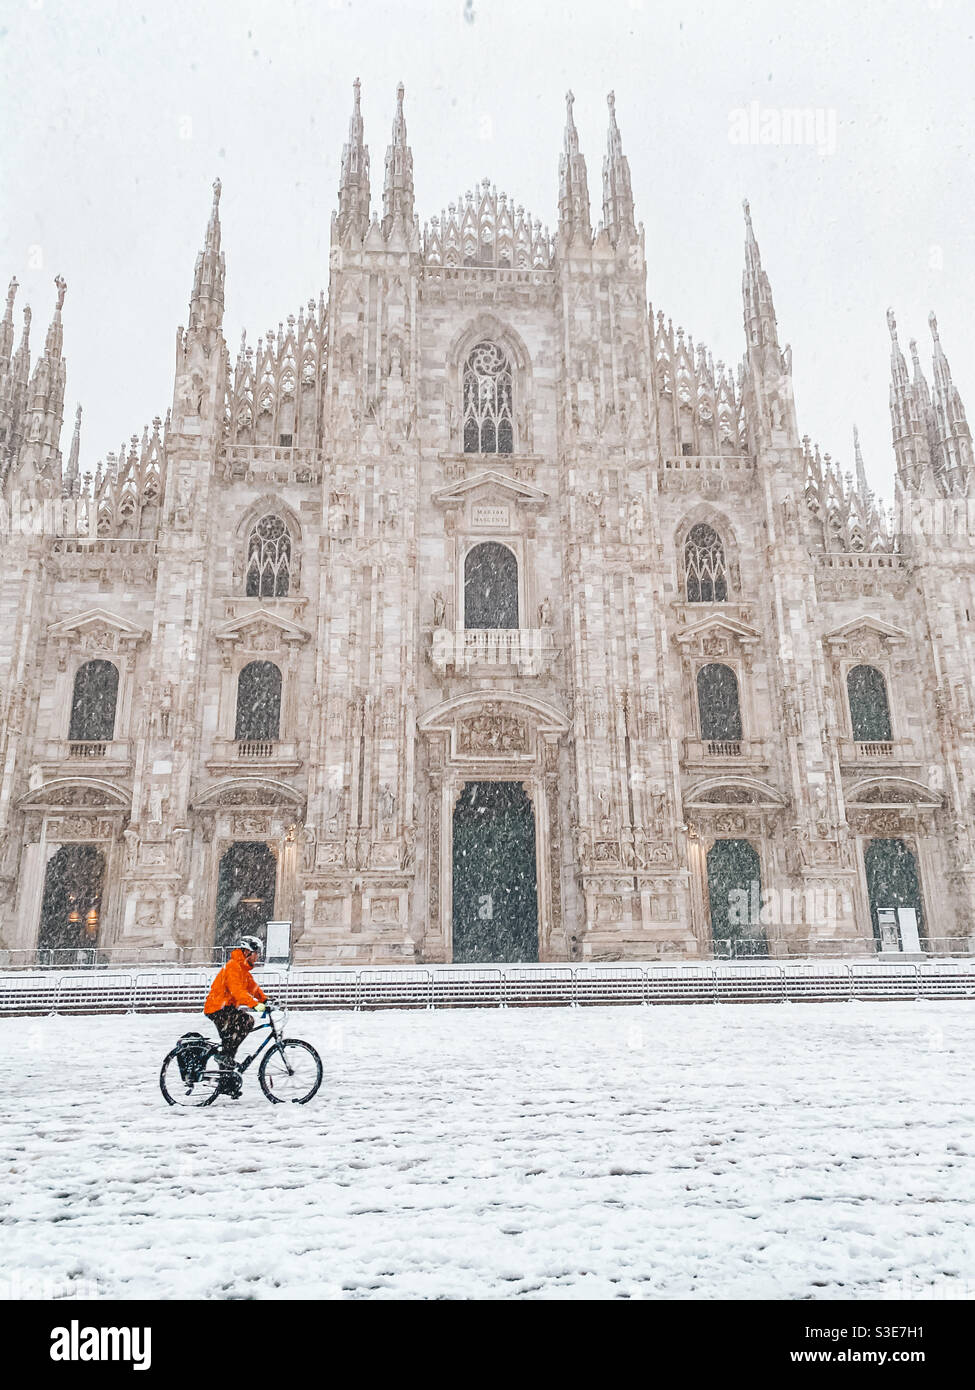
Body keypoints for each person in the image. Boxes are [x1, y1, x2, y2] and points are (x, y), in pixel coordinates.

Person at [204, 934, 268, 1096]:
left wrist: (265, 999)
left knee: (231, 1042)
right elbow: (238, 992)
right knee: (245, 1021)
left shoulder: (243, 968)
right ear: (247, 952)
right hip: (218, 1008)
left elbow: (252, 987)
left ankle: (226, 1082)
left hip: (226, 1008)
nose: (258, 956)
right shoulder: (233, 966)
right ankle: (224, 1061)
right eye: (256, 952)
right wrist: (256, 1005)